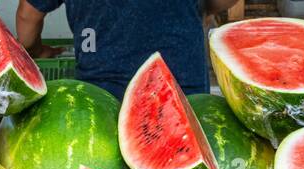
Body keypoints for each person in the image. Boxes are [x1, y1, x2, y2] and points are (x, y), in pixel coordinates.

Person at [15, 0, 238, 99]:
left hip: (102, 94)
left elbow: (27, 15)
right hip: (181, 88)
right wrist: (200, 8)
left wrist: (35, 49)